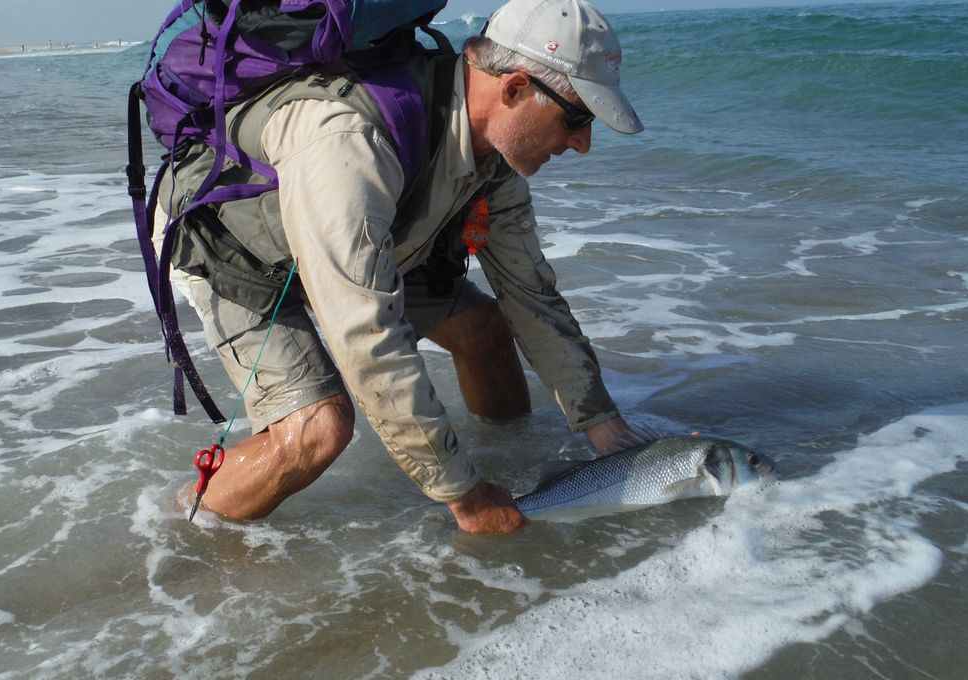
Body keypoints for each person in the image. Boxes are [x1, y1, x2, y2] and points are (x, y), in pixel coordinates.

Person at [154, 0, 645, 534]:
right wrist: (464, 494)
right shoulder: (350, 139)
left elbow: (531, 296)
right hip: (234, 247)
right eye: (577, 117)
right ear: (515, 89)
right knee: (317, 429)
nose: (583, 143)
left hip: (362, 235)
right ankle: (180, 525)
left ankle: (508, 459)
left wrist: (605, 428)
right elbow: (366, 334)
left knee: (484, 330)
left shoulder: (495, 162)